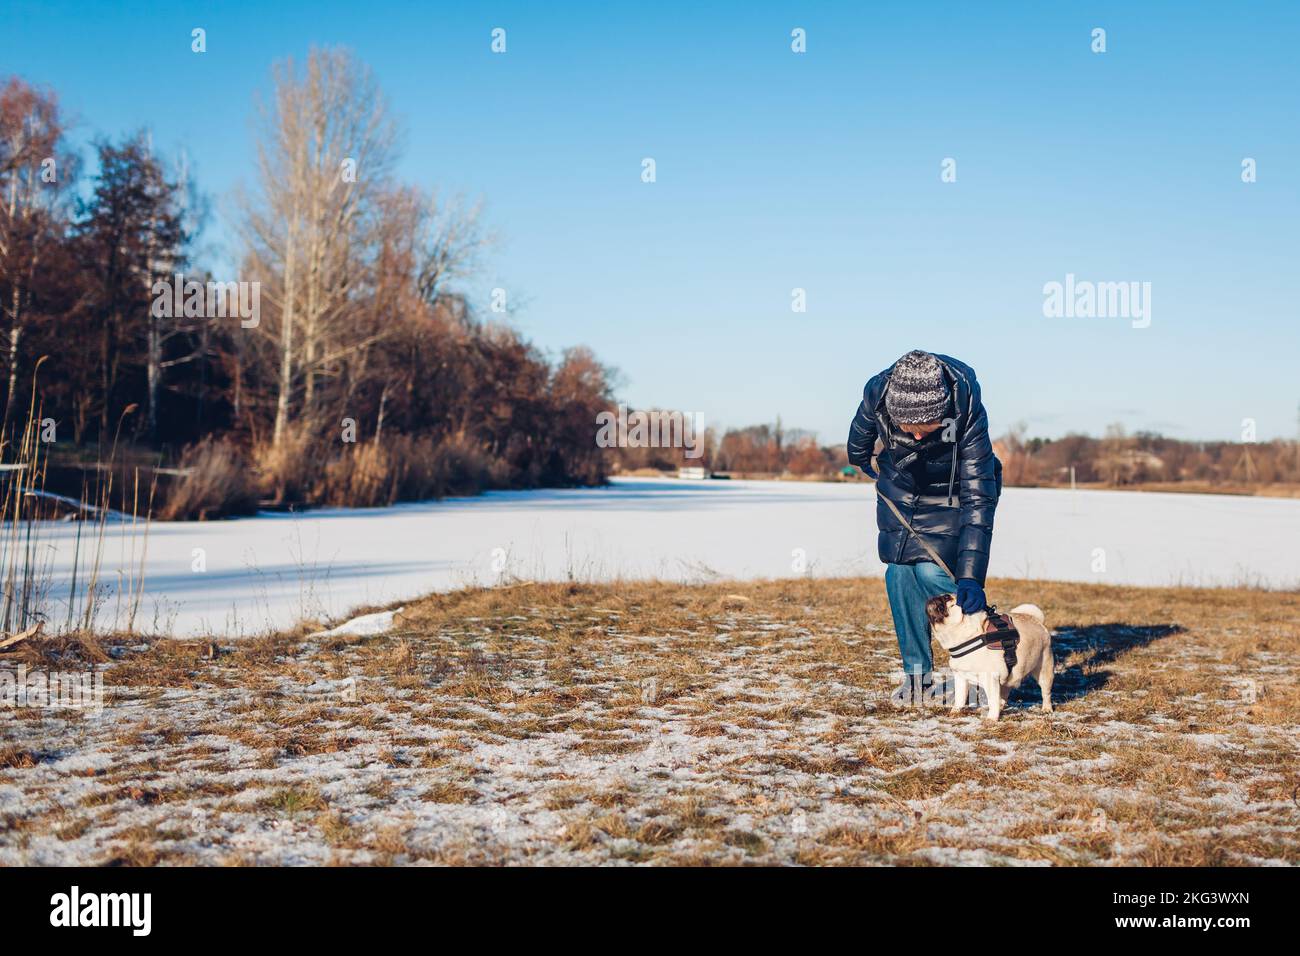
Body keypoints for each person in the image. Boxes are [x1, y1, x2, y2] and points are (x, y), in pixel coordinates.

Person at [846, 349, 1002, 704]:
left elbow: (978, 499)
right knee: (899, 574)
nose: (915, 436)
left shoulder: (967, 409)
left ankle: (982, 672)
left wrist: (971, 579)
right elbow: (858, 438)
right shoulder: (878, 391)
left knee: (935, 575)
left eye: (923, 428)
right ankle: (917, 678)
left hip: (954, 495)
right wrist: (861, 459)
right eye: (905, 428)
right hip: (902, 490)